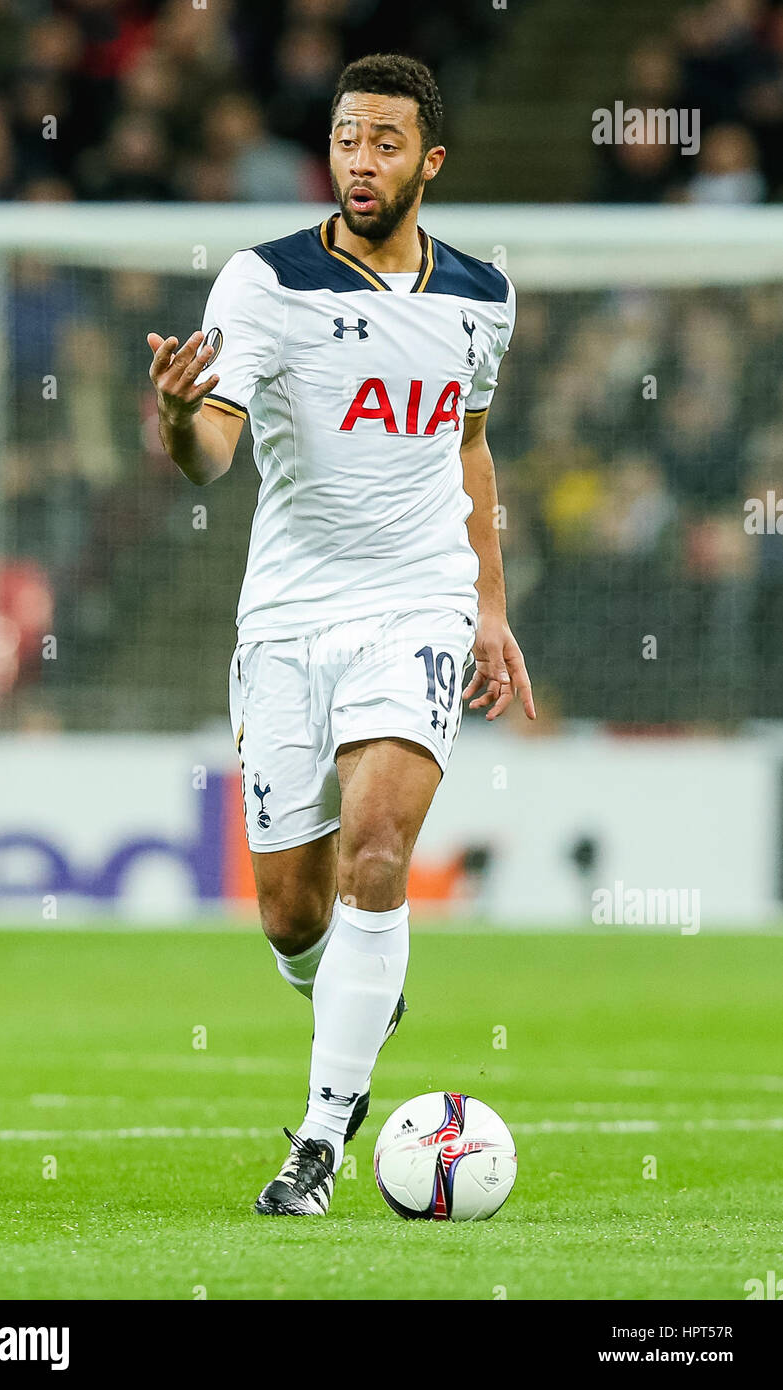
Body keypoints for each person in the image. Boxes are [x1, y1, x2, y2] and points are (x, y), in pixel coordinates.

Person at [147, 52, 534, 1216]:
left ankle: (318, 1138)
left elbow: (468, 448)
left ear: (430, 161)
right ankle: (353, 992)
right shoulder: (262, 284)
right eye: (346, 140)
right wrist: (175, 417)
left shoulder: (481, 296)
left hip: (416, 604)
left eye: (383, 143)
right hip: (288, 619)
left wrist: (491, 605)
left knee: (379, 853)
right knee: (292, 913)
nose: (360, 163)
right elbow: (213, 448)